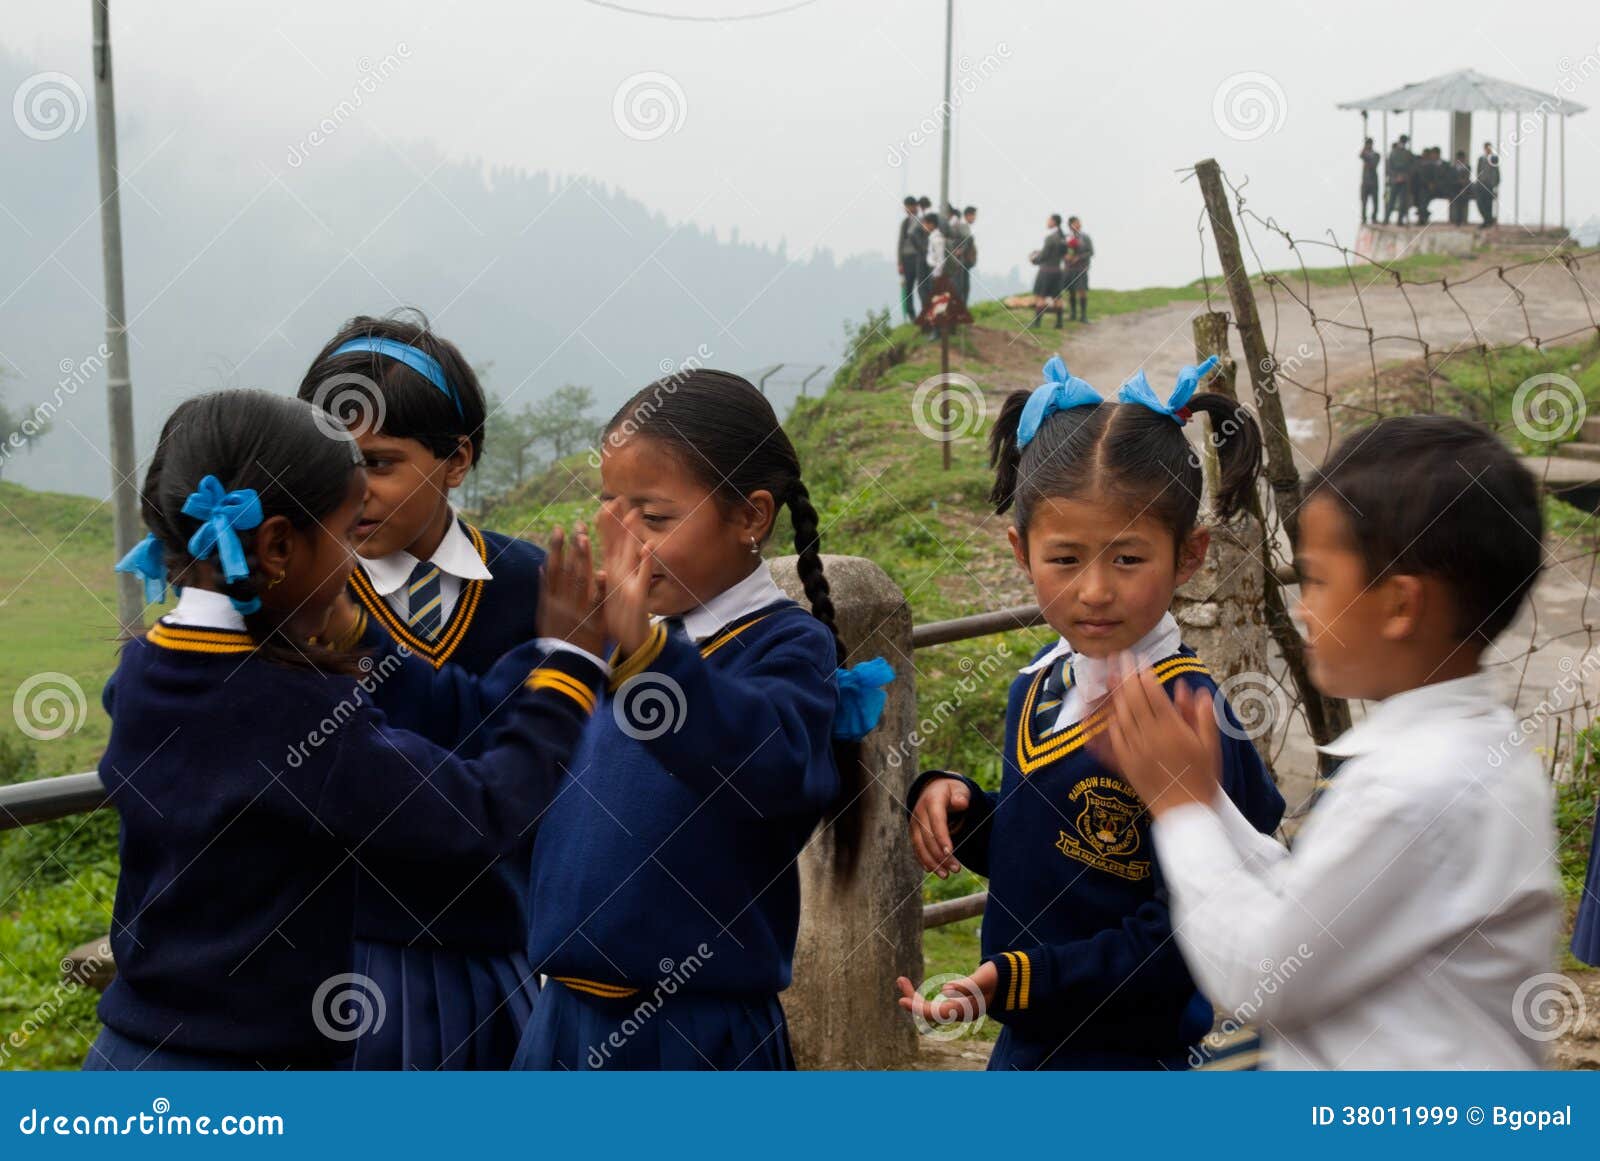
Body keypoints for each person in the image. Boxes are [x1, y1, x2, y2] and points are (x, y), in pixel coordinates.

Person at [94, 389, 607, 1070]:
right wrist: (569, 666)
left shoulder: (142, 669)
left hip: (128, 1050)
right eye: (343, 537)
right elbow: (481, 811)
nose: (351, 569)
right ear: (278, 545)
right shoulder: (296, 711)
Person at [1105, 416, 1561, 1069]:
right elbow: (1309, 902)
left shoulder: (1411, 787)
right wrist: (1201, 799)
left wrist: (1180, 811)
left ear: (1400, 606)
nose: (1303, 607)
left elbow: (1258, 972)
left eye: (1317, 580)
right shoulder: (1470, 753)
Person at [897, 356, 1285, 1070]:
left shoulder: (1186, 715)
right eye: (1066, 559)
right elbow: (1060, 846)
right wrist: (965, 811)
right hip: (1028, 1046)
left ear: (1189, 555)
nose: (1095, 590)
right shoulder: (1040, 683)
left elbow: (1198, 924)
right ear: (1022, 553)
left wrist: (1024, 978)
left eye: (1128, 559)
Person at [504, 369, 893, 1070]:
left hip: (696, 1034)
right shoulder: (611, 644)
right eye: (611, 512)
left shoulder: (783, 647)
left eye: (654, 519)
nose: (626, 542)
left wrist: (644, 655)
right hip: (561, 1021)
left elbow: (764, 765)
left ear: (751, 517)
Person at [297, 313, 557, 1070]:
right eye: (331, 463)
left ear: (457, 459)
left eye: (379, 463)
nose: (353, 492)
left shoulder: (535, 588)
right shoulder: (296, 598)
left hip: (496, 959)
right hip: (334, 967)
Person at [1029, 214, 1068, 329]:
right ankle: (1059, 323)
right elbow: (1063, 254)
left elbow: (1044, 255)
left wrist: (1034, 259)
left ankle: (1037, 323)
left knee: (1040, 297)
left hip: (1046, 271)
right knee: (1057, 297)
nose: (1047, 222)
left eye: (1049, 220)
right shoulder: (1063, 237)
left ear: (1054, 222)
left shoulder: (1050, 238)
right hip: (1058, 271)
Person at [897, 196, 924, 322]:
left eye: (908, 206)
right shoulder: (905, 223)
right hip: (906, 259)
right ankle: (911, 314)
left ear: (914, 207)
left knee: (922, 285)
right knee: (908, 287)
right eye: (906, 207)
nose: (906, 209)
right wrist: (900, 262)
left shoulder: (921, 221)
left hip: (918, 257)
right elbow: (900, 243)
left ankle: (925, 312)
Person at [1064, 215, 1094, 323]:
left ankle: (1083, 316)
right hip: (1069, 268)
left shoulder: (1085, 237)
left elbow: (1091, 252)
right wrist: (1066, 256)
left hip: (1081, 268)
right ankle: (1073, 314)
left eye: (1079, 222)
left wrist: (1079, 257)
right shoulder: (1066, 237)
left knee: (1082, 291)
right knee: (1071, 291)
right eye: (1076, 223)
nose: (1079, 225)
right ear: (1070, 225)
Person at [919, 211, 943, 324]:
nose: (924, 226)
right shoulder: (932, 237)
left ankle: (937, 327)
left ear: (932, 224)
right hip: (932, 271)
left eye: (925, 224)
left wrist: (936, 274)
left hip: (935, 272)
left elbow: (940, 259)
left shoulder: (937, 239)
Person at [1385, 134, 1414, 224]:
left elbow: (1411, 165)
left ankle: (1398, 220)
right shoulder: (1395, 153)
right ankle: (1387, 219)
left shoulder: (1406, 153)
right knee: (1392, 200)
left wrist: (1405, 175)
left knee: (1402, 201)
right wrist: (1396, 176)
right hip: (1396, 179)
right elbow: (1390, 166)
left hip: (1403, 178)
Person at [1476, 142, 1500, 227]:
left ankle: (1488, 221)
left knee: (1488, 203)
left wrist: (1495, 183)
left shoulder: (1494, 158)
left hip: (1490, 184)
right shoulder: (1481, 159)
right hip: (1481, 184)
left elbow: (1496, 171)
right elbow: (1478, 171)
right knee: (1480, 203)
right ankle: (1487, 219)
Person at [1359, 137, 1380, 224]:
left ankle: (1374, 218)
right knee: (1364, 202)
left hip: (1373, 182)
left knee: (1375, 202)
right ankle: (1364, 218)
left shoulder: (1376, 155)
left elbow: (1373, 164)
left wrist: (1366, 156)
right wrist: (1364, 151)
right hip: (1365, 182)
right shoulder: (1364, 154)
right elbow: (1360, 155)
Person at [1449, 150, 1473, 225]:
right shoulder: (1453, 168)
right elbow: (1451, 179)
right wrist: (1458, 182)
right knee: (1457, 197)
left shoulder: (1467, 167)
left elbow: (1467, 178)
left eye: (1462, 158)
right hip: (1455, 188)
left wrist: (1464, 184)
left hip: (1465, 188)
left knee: (1462, 197)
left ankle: (1460, 219)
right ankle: (1458, 219)